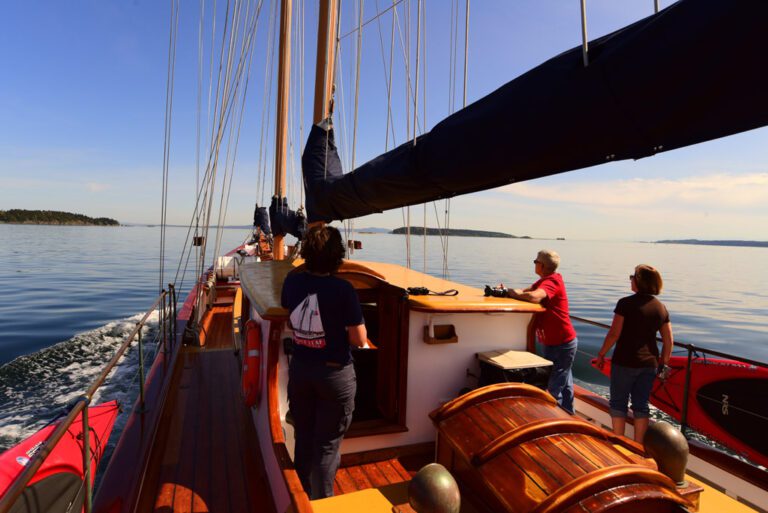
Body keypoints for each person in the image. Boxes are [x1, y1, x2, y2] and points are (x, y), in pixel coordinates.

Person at [280, 225, 367, 499]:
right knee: (327, 446)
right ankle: (321, 503)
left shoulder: (292, 282)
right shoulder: (343, 289)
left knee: (304, 437)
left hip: (302, 370)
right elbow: (358, 338)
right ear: (336, 255)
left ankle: (299, 497)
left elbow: (288, 320)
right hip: (334, 376)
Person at [595, 264, 673, 443]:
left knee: (618, 403)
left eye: (632, 277)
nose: (630, 279)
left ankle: (619, 444)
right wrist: (664, 364)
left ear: (639, 281)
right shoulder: (660, 308)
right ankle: (638, 448)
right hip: (649, 365)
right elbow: (668, 341)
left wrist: (601, 354)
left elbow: (614, 333)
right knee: (641, 406)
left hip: (625, 362)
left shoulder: (625, 303)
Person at [505, 250, 578, 414]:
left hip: (561, 344)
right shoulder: (545, 280)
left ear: (542, 265)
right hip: (557, 341)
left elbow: (534, 297)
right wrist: (506, 291)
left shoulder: (551, 281)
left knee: (553, 386)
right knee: (565, 382)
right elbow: (527, 291)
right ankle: (569, 415)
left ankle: (552, 419)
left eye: (535, 261)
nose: (535, 264)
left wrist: (511, 293)